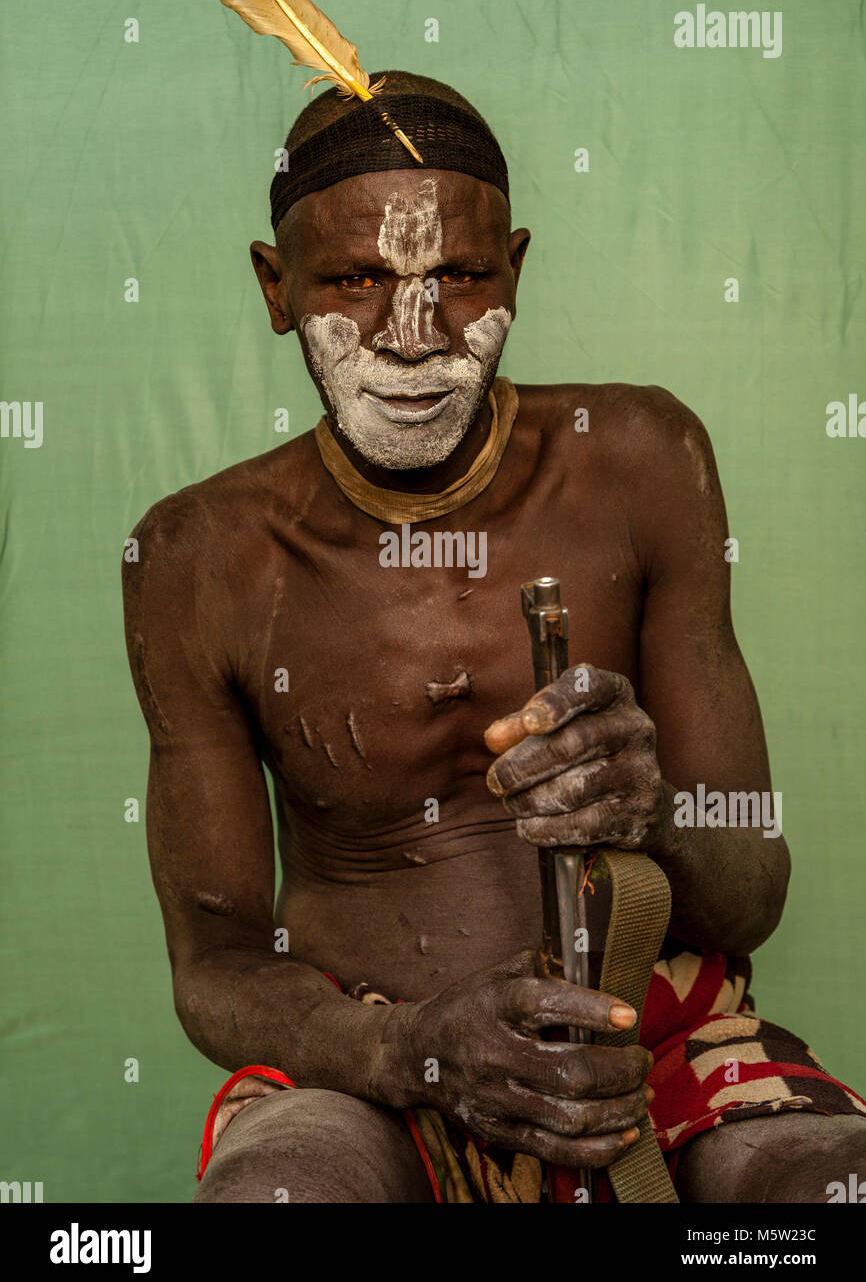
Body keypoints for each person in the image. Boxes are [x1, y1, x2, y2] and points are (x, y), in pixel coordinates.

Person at [122, 70, 866, 1203]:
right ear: (276, 289)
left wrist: (649, 799)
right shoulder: (195, 557)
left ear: (513, 269)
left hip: (654, 1033)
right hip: (367, 1057)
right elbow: (213, 968)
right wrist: (410, 1048)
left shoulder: (640, 460)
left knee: (830, 1187)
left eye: (458, 277)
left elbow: (749, 892)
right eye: (358, 280)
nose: (414, 334)